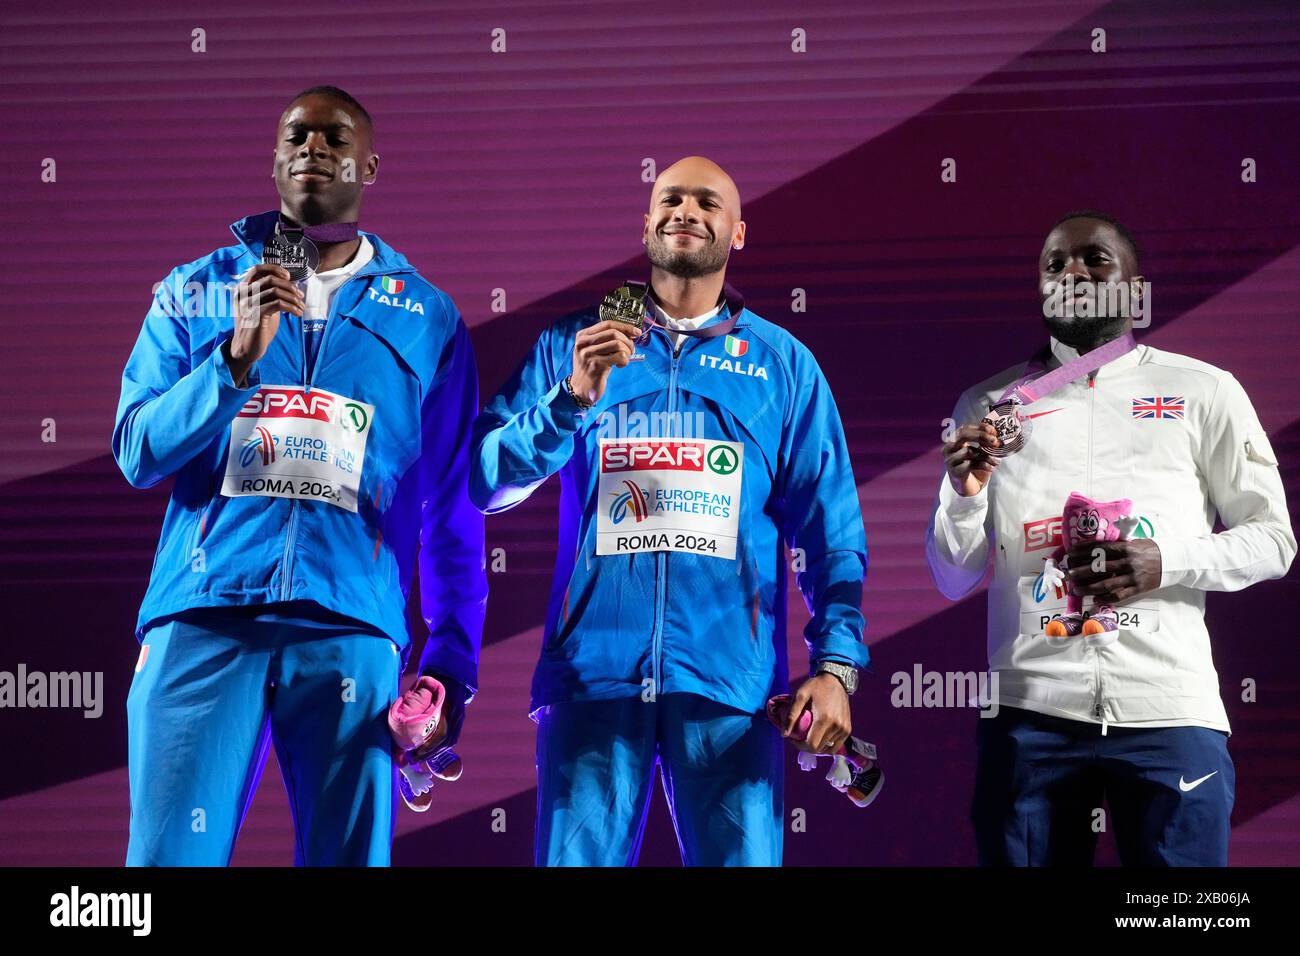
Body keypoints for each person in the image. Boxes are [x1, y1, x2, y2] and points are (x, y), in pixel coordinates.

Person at [112, 86, 486, 865]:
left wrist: (450, 666)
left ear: (369, 166)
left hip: (350, 627)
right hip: (206, 613)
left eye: (334, 137)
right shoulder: (198, 288)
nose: (313, 148)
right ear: (276, 160)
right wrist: (233, 361)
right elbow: (138, 449)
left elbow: (451, 510)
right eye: (297, 137)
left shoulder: (429, 319)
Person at [472, 156, 869, 866]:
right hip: (594, 679)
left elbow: (833, 535)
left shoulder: (784, 366)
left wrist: (836, 669)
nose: (686, 210)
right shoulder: (577, 343)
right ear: (647, 224)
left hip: (730, 689)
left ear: (737, 231)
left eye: (707, 202)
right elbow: (484, 481)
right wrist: (567, 402)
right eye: (671, 198)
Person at [926, 210, 1295, 866]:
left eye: (1094, 259)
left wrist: (1166, 560)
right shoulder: (986, 406)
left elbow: (1273, 540)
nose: (1072, 272)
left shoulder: (1203, 390)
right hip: (1028, 714)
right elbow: (953, 575)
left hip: (1170, 712)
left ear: (1134, 286)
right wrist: (966, 492)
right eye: (1054, 264)